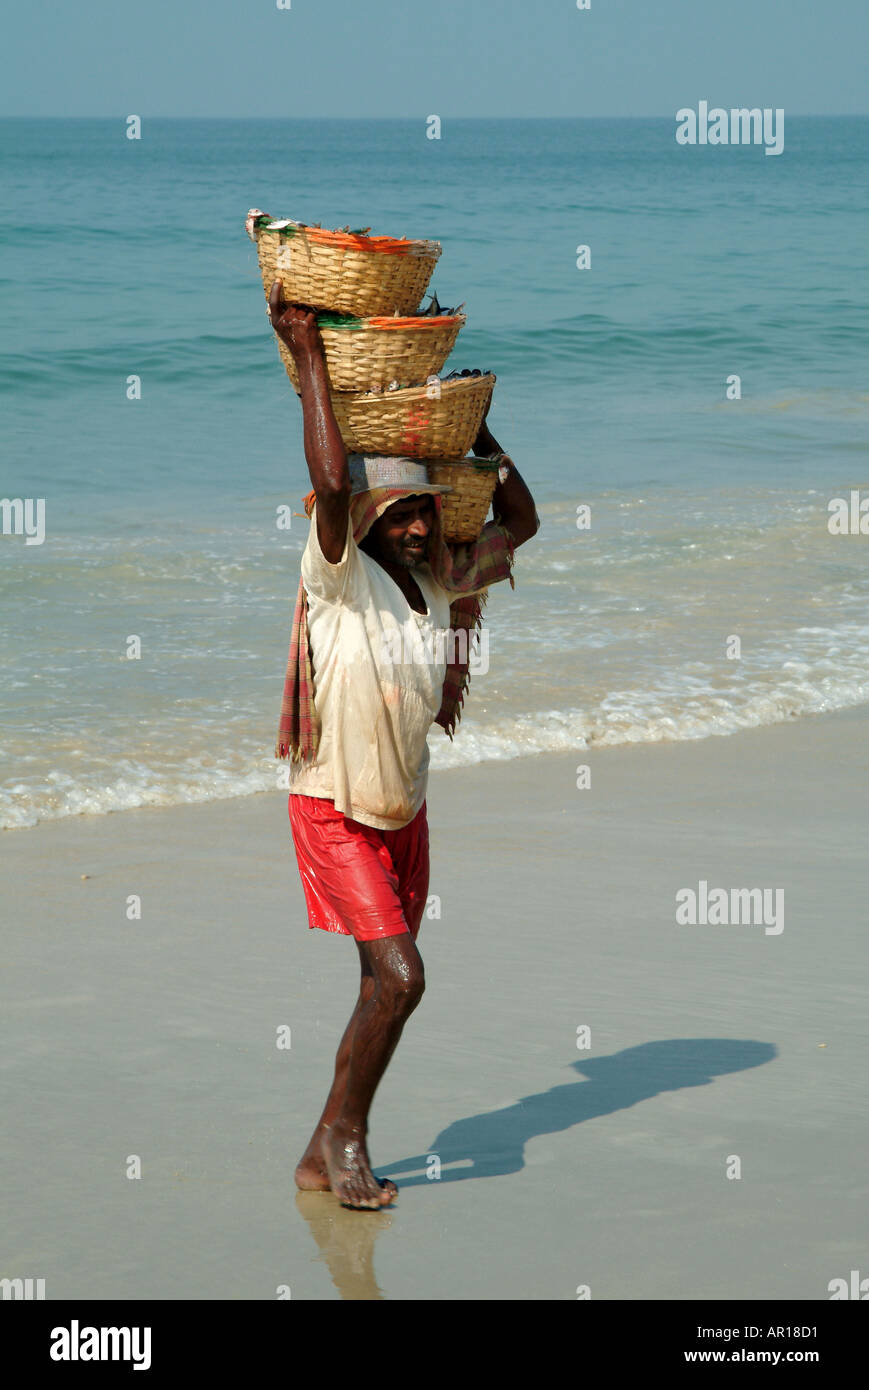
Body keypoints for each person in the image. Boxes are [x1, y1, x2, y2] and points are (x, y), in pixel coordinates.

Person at [269, 279, 539, 1209]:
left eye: (426, 511)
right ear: (371, 524)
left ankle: (319, 1149)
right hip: (334, 805)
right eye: (405, 514)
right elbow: (334, 482)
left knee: (379, 989)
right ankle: (347, 1140)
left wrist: (483, 442)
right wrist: (310, 358)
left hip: (404, 809)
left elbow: (523, 524)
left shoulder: (441, 579)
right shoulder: (340, 576)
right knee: (402, 976)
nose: (420, 523)